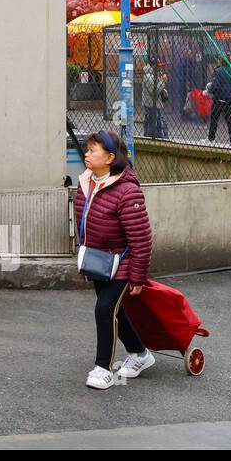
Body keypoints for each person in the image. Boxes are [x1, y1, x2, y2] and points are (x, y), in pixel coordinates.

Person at [73, 128, 154, 390]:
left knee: (105, 309)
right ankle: (141, 354)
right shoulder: (86, 182)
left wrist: (137, 276)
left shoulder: (127, 191)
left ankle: (103, 368)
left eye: (92, 150)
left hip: (122, 263)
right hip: (97, 261)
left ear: (109, 157)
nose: (87, 154)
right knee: (114, 310)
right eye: (87, 149)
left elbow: (141, 238)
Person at [206, 57, 231, 143]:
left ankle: (211, 138)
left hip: (218, 99)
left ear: (221, 61)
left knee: (214, 119)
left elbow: (215, 85)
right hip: (229, 100)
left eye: (219, 60)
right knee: (230, 121)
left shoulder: (218, 71)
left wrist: (208, 90)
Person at [139, 59, 168, 140]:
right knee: (154, 124)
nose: (160, 68)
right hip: (150, 104)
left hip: (155, 104)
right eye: (158, 66)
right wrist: (162, 82)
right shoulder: (148, 76)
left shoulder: (155, 74)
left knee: (154, 122)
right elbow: (154, 92)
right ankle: (152, 139)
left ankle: (153, 138)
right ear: (153, 66)